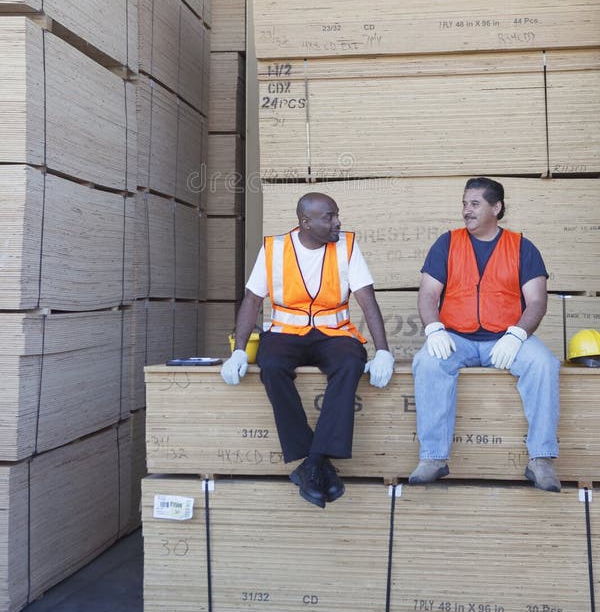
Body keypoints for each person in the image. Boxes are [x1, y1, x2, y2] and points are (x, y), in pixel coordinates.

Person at [221, 192, 395, 508]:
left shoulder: (347, 246)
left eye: (336, 214)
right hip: (286, 334)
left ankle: (313, 463)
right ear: (306, 222)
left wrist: (383, 350)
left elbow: (367, 300)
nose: (337, 222)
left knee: (349, 364)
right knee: (271, 366)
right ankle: (314, 459)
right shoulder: (274, 248)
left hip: (334, 334)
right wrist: (238, 350)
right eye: (329, 216)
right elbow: (252, 300)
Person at [409, 176, 561, 492]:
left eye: (475, 204)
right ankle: (433, 458)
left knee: (544, 363)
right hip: (456, 338)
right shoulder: (447, 243)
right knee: (427, 362)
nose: (467, 210)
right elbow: (427, 294)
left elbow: (536, 302)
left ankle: (541, 459)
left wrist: (517, 335)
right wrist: (434, 329)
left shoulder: (522, 247)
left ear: (497, 207)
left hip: (507, 339)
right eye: (464, 203)